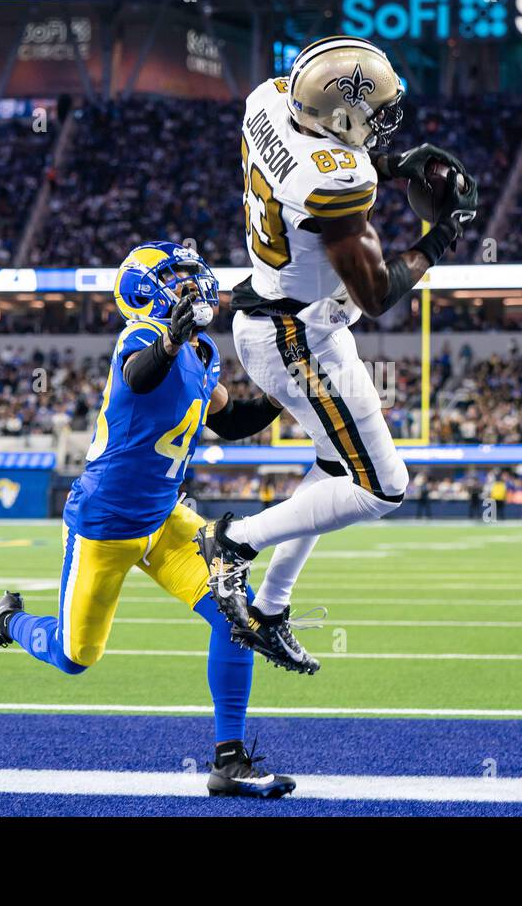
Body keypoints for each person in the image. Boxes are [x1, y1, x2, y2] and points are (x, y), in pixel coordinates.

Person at [0, 242, 294, 798]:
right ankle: (8, 623)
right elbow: (140, 377)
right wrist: (170, 339)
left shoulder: (202, 351)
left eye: (193, 278)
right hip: (106, 524)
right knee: (76, 657)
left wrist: (293, 393)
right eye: (179, 279)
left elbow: (232, 420)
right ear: (148, 290)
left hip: (165, 518)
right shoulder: (142, 338)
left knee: (236, 614)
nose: (193, 287)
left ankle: (230, 761)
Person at [196, 36, 479, 672]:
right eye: (372, 114)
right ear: (340, 118)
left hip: (279, 314)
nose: (381, 123)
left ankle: (271, 607)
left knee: (333, 466)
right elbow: (375, 293)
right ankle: (232, 543)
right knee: (384, 488)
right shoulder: (337, 183)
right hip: (299, 338)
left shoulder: (268, 100)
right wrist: (443, 238)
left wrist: (392, 165)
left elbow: (319, 152)